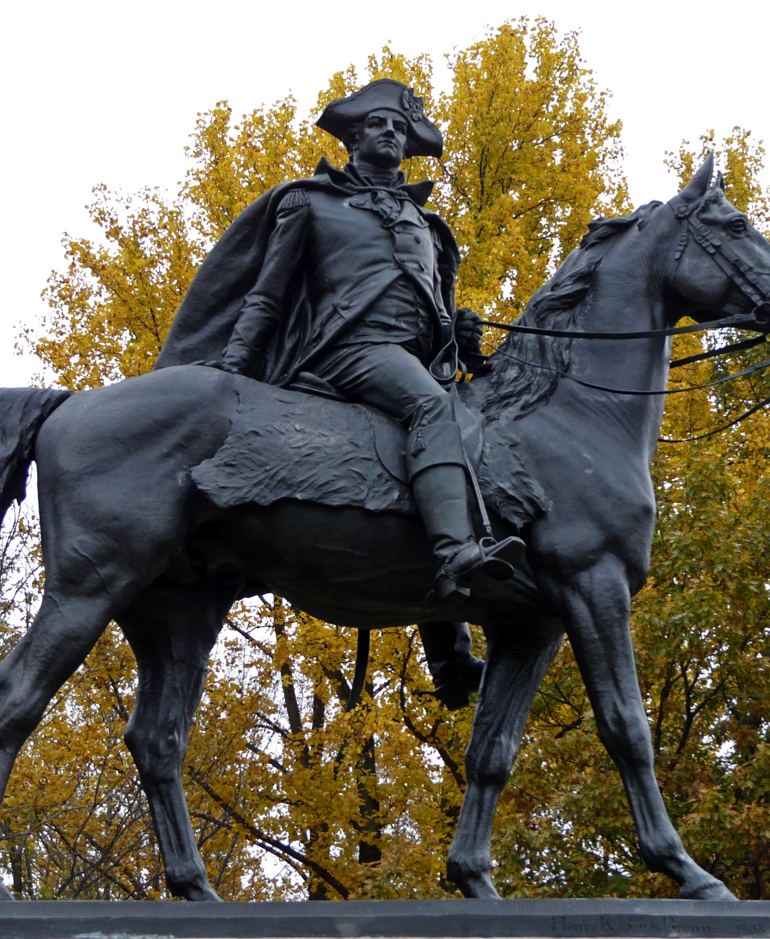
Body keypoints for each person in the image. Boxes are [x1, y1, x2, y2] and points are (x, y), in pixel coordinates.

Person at [154, 79, 526, 706]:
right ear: (353, 135)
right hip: (347, 354)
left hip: (415, 361)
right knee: (432, 407)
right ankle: (457, 554)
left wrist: (461, 338)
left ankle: (451, 658)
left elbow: (439, 317)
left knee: (467, 439)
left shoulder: (431, 227)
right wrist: (233, 373)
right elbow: (268, 296)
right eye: (379, 125)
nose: (391, 135)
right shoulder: (312, 203)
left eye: (400, 130)